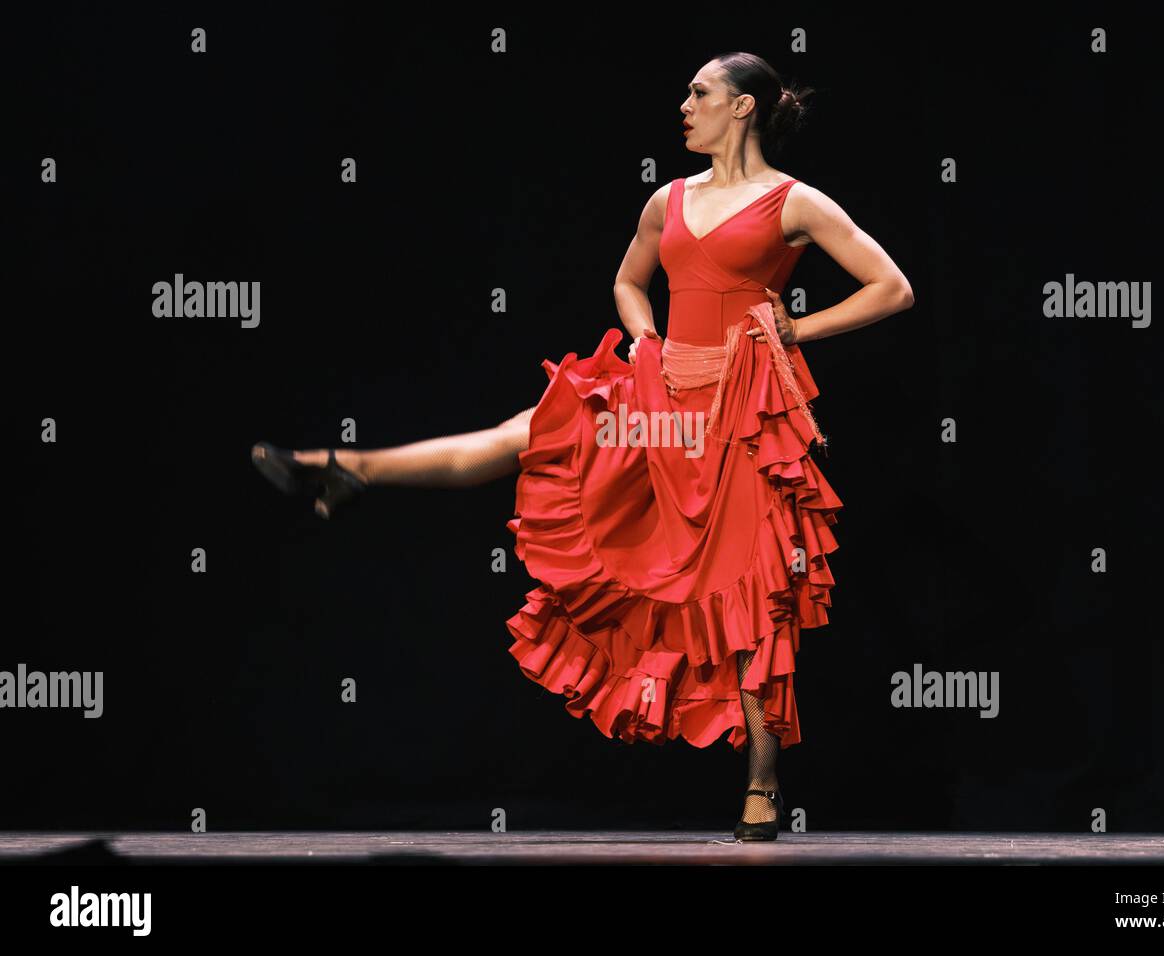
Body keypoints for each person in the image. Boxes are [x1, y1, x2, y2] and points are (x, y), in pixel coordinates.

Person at [252, 51, 914, 842]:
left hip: (737, 414)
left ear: (743, 108)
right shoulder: (666, 201)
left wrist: (791, 330)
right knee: (525, 432)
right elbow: (630, 282)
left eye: (699, 93)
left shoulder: (792, 202)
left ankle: (763, 787)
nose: (684, 104)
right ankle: (346, 468)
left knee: (750, 603)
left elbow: (892, 287)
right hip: (660, 396)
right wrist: (643, 340)